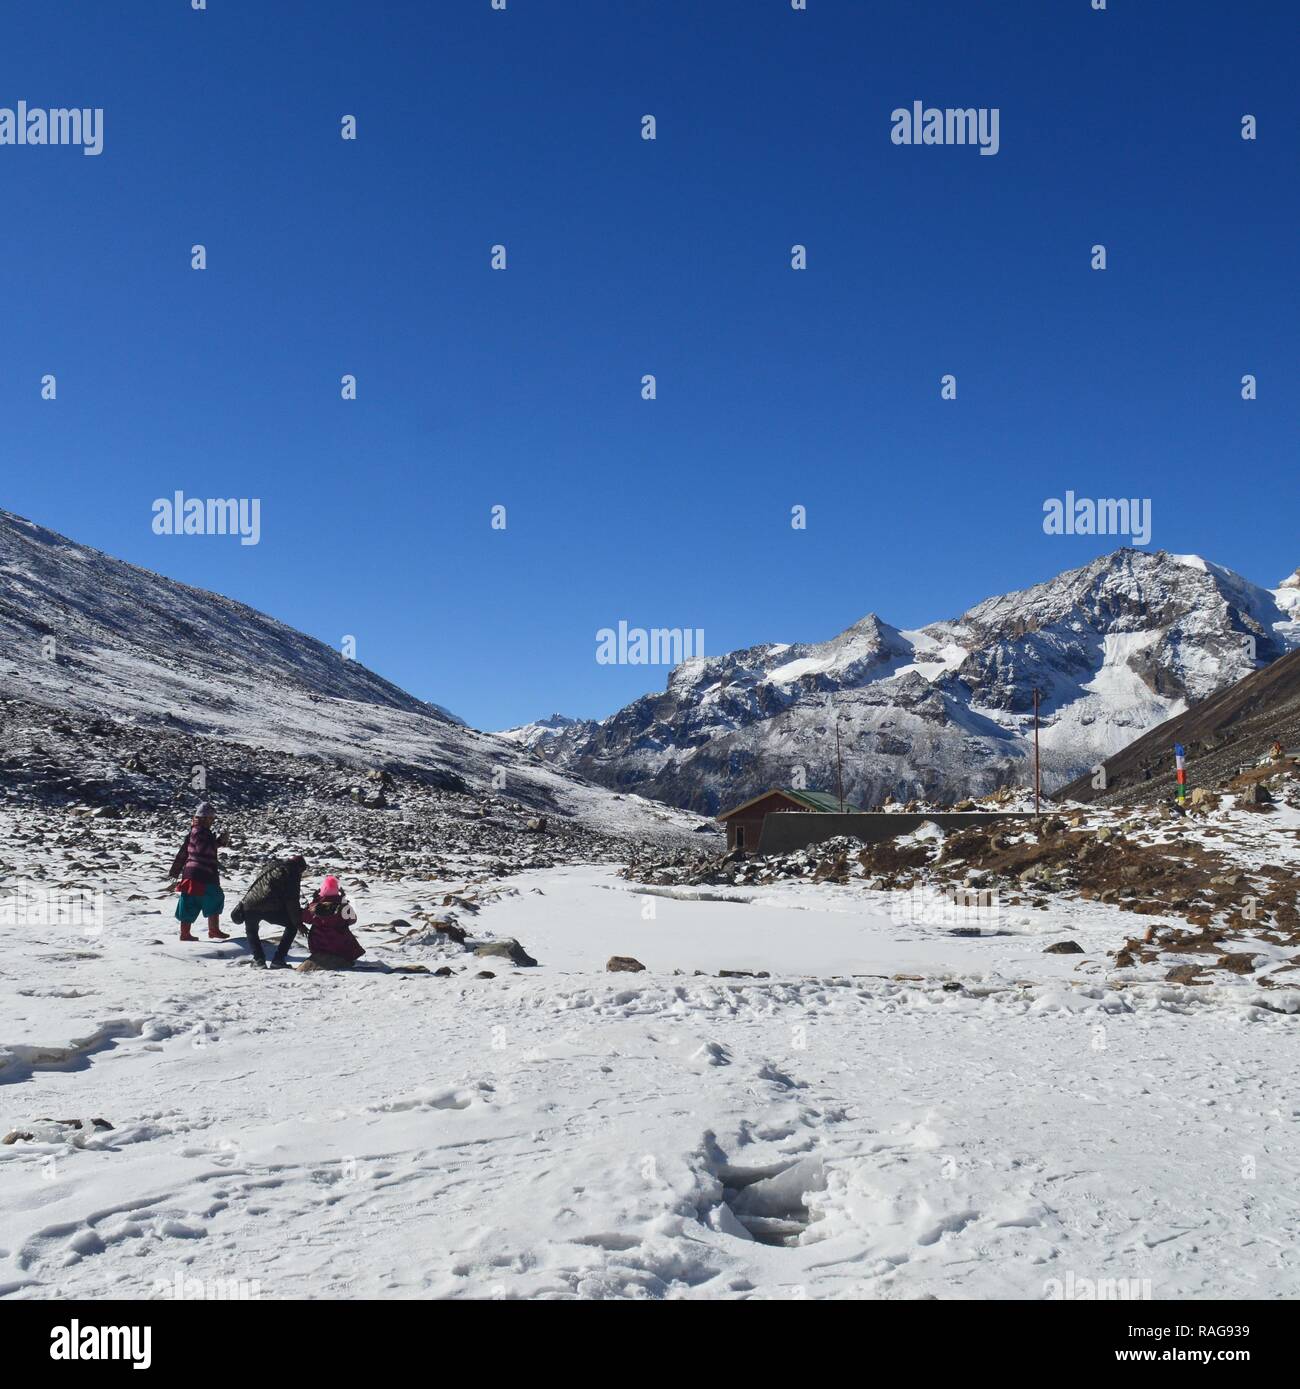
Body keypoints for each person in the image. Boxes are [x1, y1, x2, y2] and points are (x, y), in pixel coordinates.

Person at [230, 856, 308, 969]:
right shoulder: (292, 872)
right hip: (270, 907)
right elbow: (291, 901)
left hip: (249, 904)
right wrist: (298, 923)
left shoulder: (271, 866)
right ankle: (278, 959)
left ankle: (259, 960)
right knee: (292, 926)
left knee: (252, 931)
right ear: (299, 867)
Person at [169, 802, 230, 942]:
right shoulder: (202, 832)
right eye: (211, 818)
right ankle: (213, 930)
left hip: (190, 873)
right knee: (215, 897)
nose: (212, 821)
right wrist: (219, 842)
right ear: (205, 818)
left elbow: (184, 852)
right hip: (204, 873)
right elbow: (204, 849)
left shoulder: (194, 831)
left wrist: (175, 871)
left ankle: (185, 933)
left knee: (190, 902)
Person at [299, 876, 365, 969]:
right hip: (340, 944)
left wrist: (314, 901)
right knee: (345, 932)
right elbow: (352, 920)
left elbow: (305, 918)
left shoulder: (315, 905)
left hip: (319, 944)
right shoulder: (343, 906)